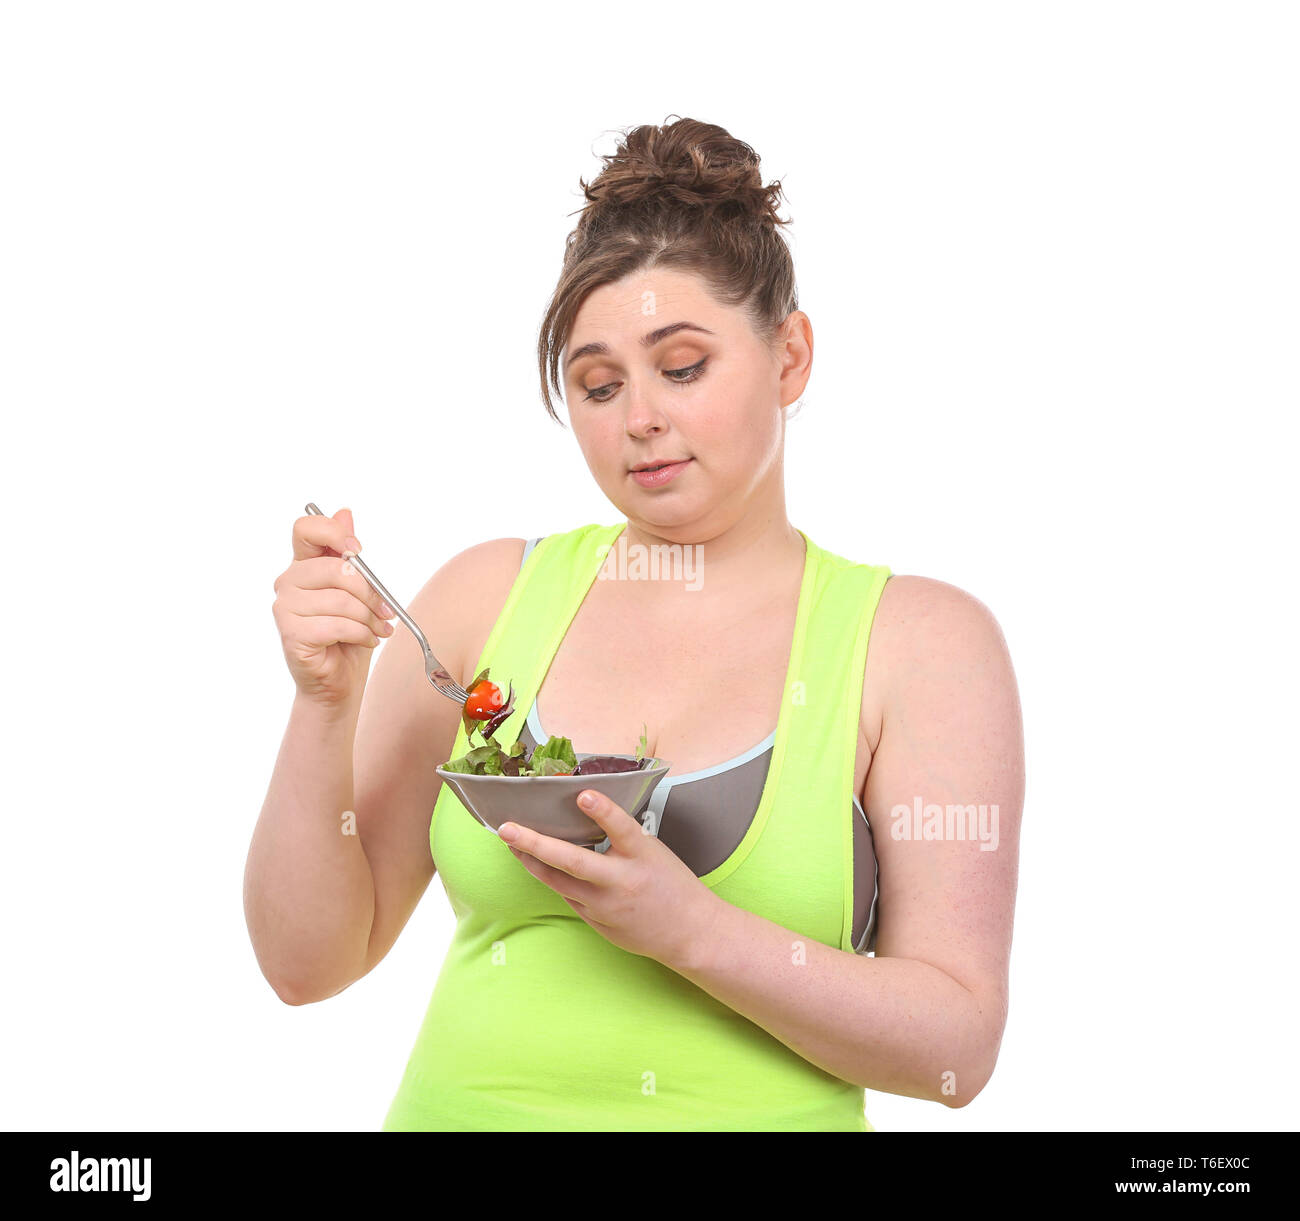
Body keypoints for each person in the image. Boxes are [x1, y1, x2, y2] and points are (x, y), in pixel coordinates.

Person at [246, 115, 1024, 1132]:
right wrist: (323, 703)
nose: (638, 419)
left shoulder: (918, 642)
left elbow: (957, 1051)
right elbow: (306, 965)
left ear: (788, 357)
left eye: (684, 366)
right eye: (598, 385)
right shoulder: (486, 601)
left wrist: (691, 932)